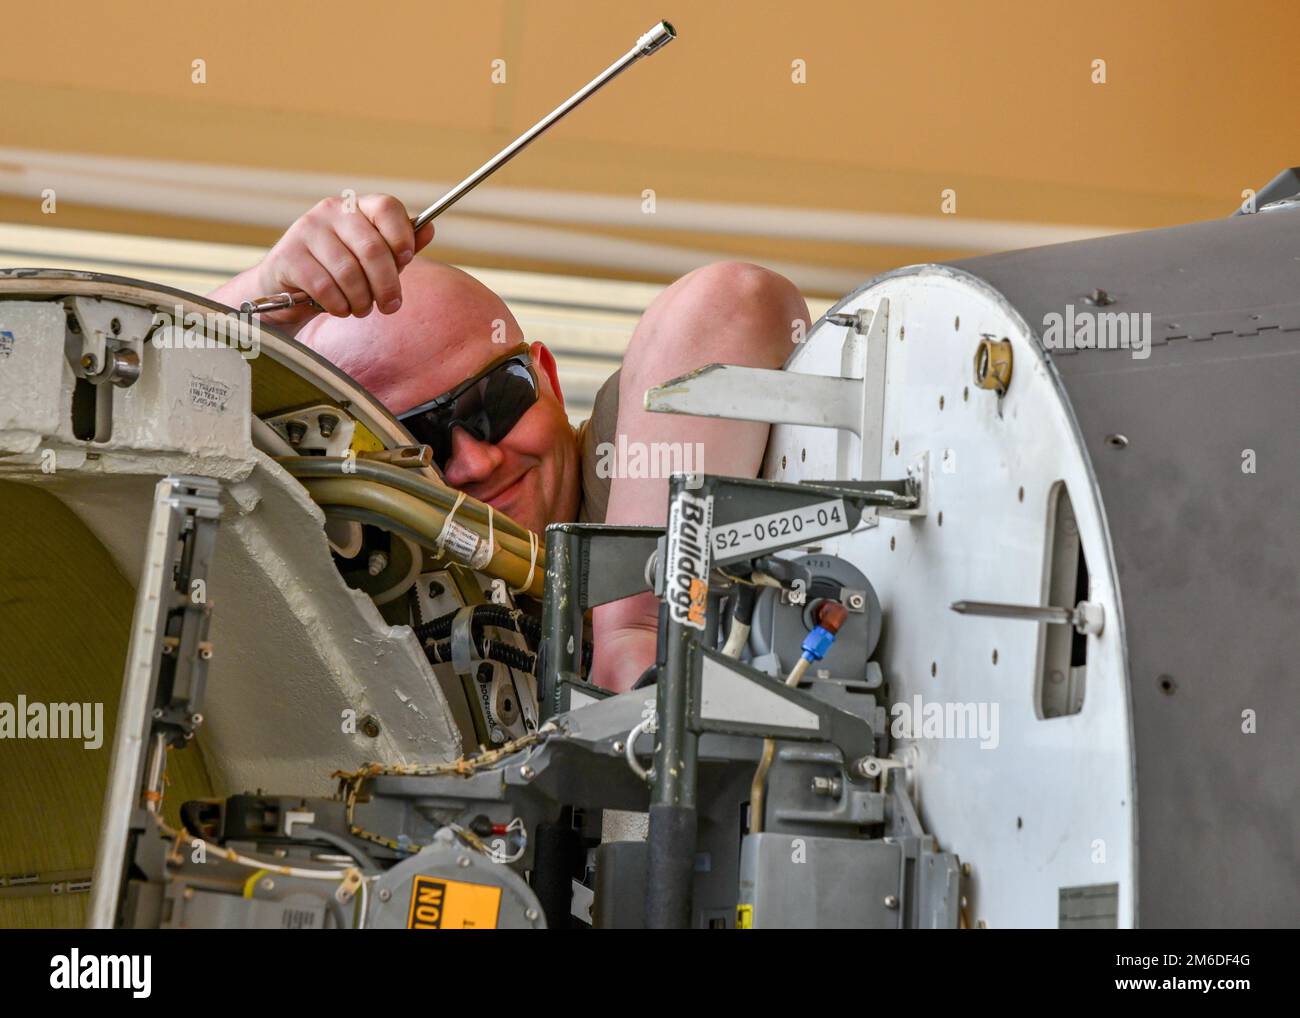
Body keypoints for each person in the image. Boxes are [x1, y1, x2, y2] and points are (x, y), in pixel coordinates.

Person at [210, 194, 810, 691]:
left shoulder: (626, 460)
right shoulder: (367, 591)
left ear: (545, 377)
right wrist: (257, 298)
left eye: (493, 402)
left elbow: (734, 300)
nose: (476, 461)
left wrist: (637, 628)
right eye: (420, 439)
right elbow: (147, 454)